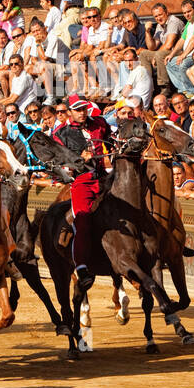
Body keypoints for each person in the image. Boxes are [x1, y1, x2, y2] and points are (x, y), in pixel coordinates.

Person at [51, 95, 112, 286]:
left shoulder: (100, 123)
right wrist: (78, 158)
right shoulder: (60, 133)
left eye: (84, 109)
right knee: (83, 219)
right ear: (69, 111)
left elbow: (111, 140)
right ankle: (81, 267)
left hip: (104, 176)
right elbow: (58, 160)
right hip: (81, 180)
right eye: (77, 110)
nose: (82, 113)